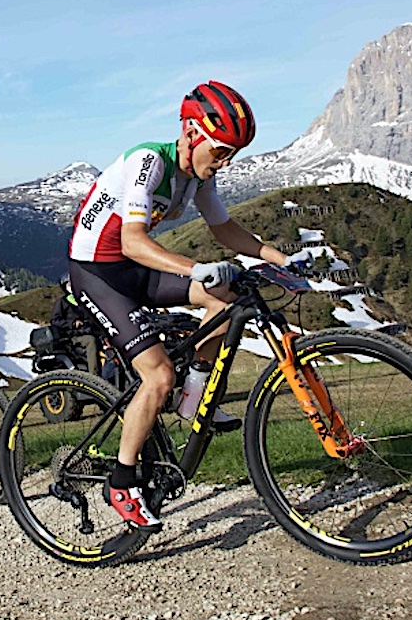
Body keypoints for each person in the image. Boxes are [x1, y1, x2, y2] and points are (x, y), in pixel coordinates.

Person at [68, 80, 301, 531]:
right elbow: (134, 241)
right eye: (220, 151)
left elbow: (226, 230)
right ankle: (121, 481)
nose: (225, 162)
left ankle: (194, 397)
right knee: (157, 374)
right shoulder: (149, 162)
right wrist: (196, 269)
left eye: (232, 154)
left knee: (227, 299)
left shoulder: (197, 177)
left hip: (135, 266)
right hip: (98, 273)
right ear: (193, 134)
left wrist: (279, 258)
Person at [50, 279, 100, 375]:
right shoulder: (62, 302)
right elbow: (55, 321)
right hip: (72, 336)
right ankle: (94, 375)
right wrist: (72, 323)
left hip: (88, 330)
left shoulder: (84, 302)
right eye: (69, 284)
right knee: (91, 341)